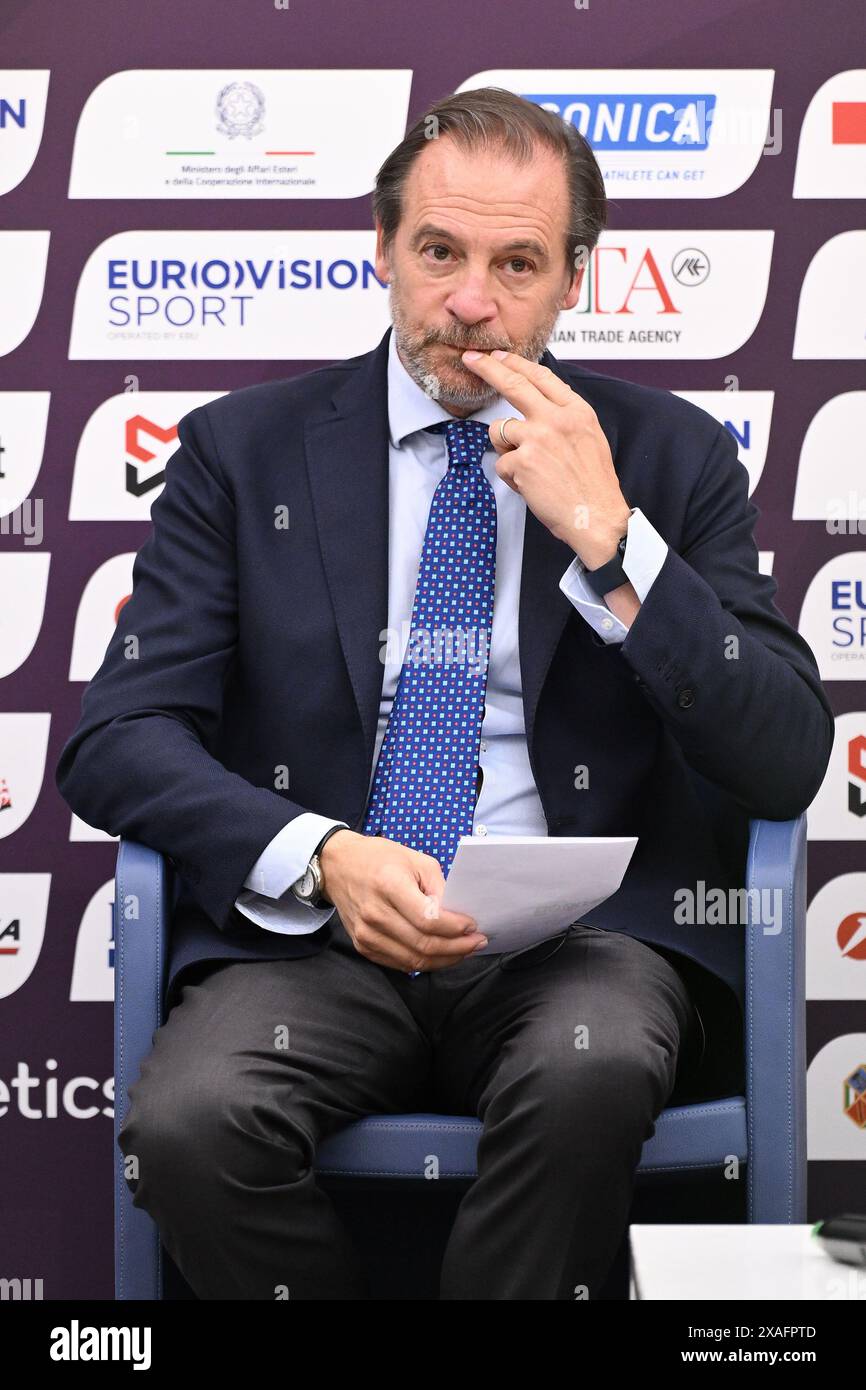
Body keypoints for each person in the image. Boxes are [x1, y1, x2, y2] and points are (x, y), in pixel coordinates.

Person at [56, 87, 834, 1300]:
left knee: (589, 1070)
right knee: (195, 1119)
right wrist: (321, 856)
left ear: (576, 276)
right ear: (381, 248)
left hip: (574, 949)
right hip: (318, 942)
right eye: (437, 252)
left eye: (515, 262)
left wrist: (614, 545)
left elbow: (784, 757)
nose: (470, 303)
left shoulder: (667, 458)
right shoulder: (237, 452)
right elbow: (118, 738)